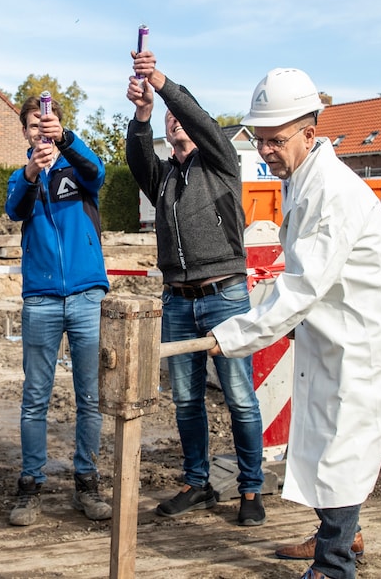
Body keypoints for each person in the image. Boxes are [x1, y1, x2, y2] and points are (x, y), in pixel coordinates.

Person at [207, 68, 381, 579]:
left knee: (341, 447)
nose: (265, 150)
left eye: (275, 140)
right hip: (333, 327)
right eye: (260, 139)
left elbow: (301, 285)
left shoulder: (331, 193)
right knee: (323, 440)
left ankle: (334, 566)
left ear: (309, 133)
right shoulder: (304, 181)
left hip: (361, 339)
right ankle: (340, 534)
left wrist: (232, 335)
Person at [124, 50, 267, 526]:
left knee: (239, 396)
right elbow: (136, 156)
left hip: (225, 296)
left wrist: (161, 83)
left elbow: (200, 118)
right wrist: (143, 114)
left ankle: (251, 488)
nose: (175, 120)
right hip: (178, 301)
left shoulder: (221, 161)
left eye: (178, 114)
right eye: (168, 119)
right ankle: (196, 482)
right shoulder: (163, 177)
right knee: (186, 400)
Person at [4, 95, 111, 526]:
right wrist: (32, 172)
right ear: (25, 133)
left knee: (90, 397)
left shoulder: (76, 168)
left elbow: (97, 172)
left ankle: (87, 481)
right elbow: (14, 209)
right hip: (41, 299)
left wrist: (66, 140)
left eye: (47, 124)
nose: (40, 131)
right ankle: (31, 484)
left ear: (58, 127)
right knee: (35, 398)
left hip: (87, 297)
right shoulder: (22, 177)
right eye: (34, 125)